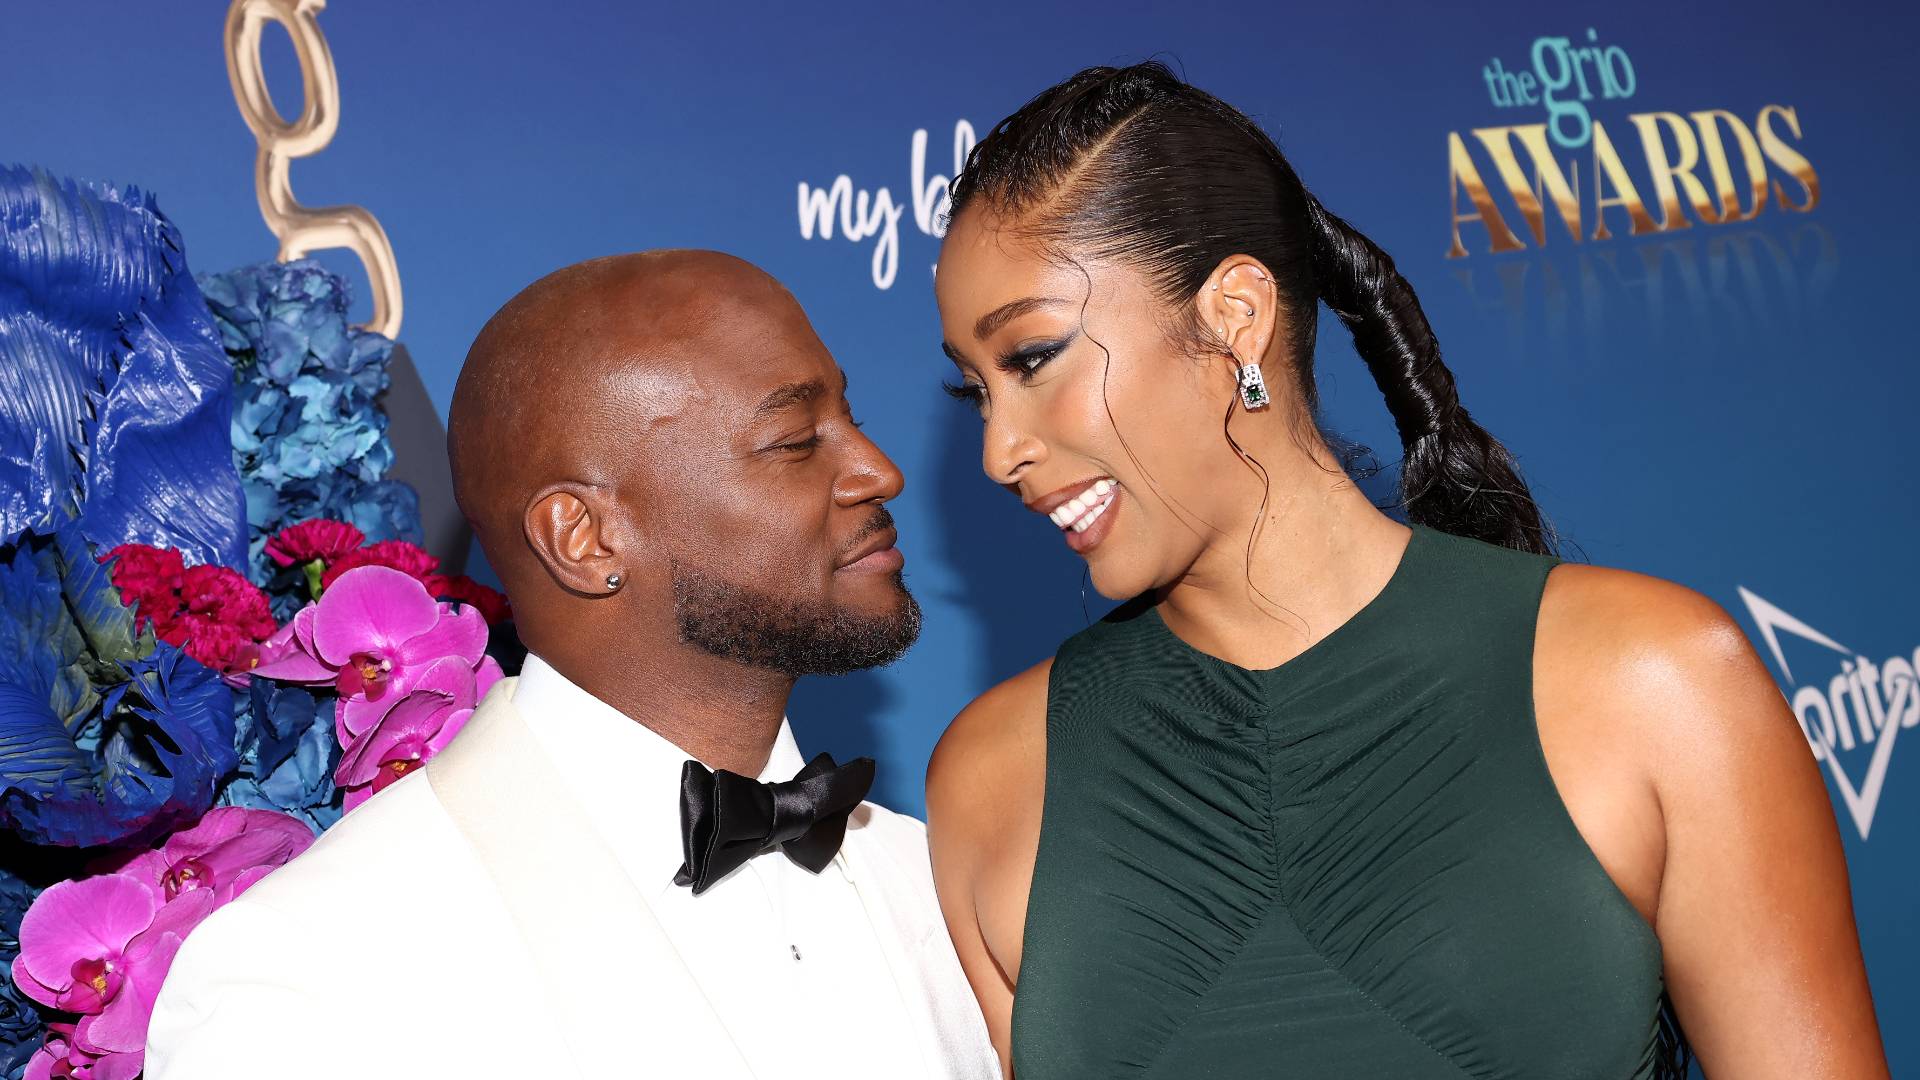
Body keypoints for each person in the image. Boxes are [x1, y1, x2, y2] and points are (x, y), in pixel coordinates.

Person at [924, 63, 1887, 1080]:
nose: (1000, 452)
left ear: (1234, 317)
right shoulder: (997, 776)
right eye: (975, 393)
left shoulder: (1655, 683)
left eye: (1030, 359)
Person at [146, 250, 999, 1079]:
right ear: (583, 540)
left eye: (848, 417)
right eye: (793, 440)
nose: (877, 470)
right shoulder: (308, 974)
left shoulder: (948, 889)